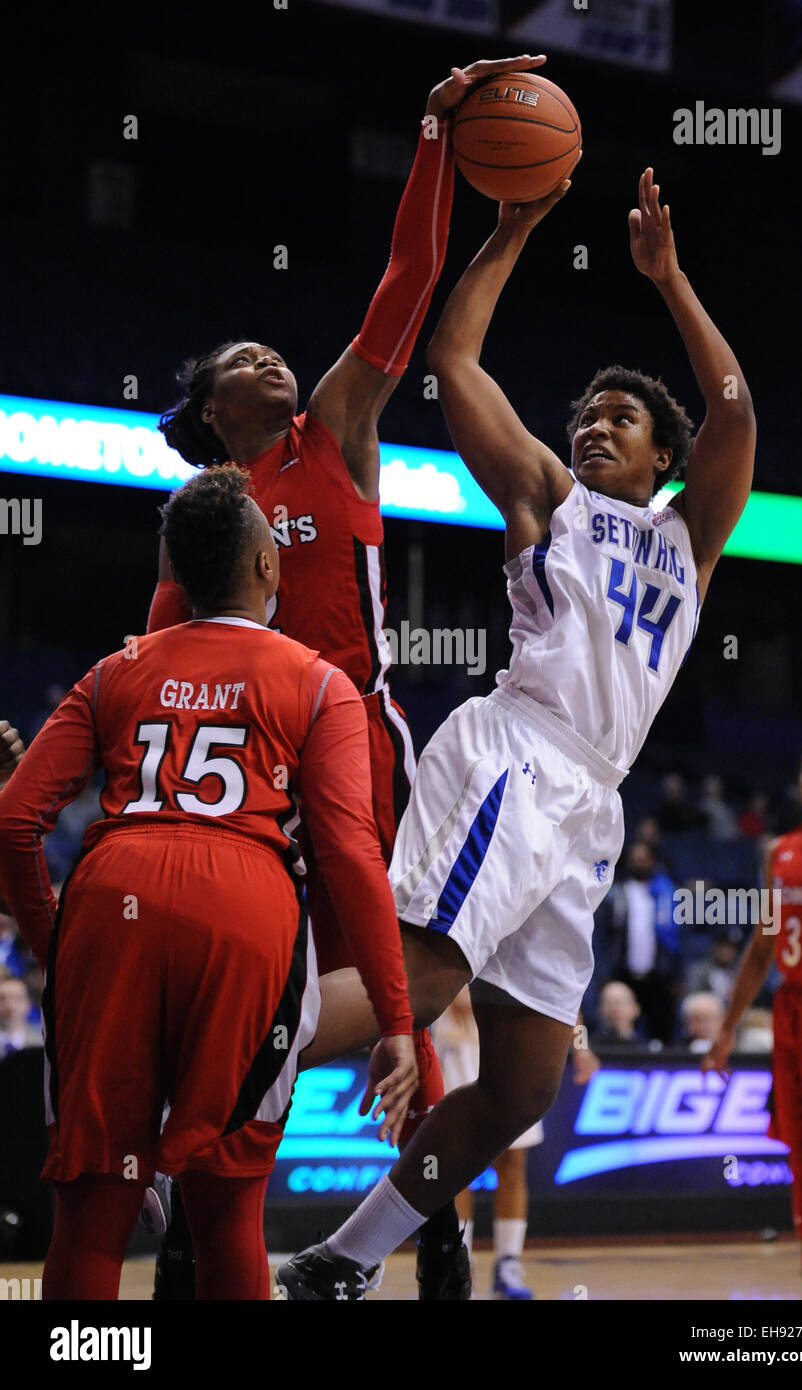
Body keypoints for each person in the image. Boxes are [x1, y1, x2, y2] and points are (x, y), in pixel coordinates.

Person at [276, 163, 756, 1298]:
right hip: (518, 754)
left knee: (528, 1081)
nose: (594, 424)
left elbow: (733, 408)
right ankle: (208, 1050)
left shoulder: (694, 536)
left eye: (620, 418)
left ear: (662, 460)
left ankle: (342, 1259)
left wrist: (670, 279)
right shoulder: (549, 493)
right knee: (425, 981)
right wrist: (514, 229)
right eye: (588, 411)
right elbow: (451, 363)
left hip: (591, 801)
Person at [145, 53, 546, 1302]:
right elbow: (150, 648)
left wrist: (436, 134)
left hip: (365, 737)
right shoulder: (211, 508)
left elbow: (409, 280)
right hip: (260, 757)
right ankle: (191, 1225)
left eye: (272, 348)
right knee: (264, 990)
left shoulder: (338, 425)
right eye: (243, 360)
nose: (271, 357)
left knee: (413, 987)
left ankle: (421, 1250)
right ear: (210, 412)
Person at [0, 466, 418, 1300]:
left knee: (92, 1212)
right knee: (227, 1210)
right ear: (268, 568)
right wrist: (397, 1018)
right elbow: (348, 854)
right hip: (242, 912)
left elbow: (12, 821)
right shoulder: (316, 679)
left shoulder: (116, 667)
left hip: (110, 904)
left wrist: (58, 946)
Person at [703, 737, 802, 1301]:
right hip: (791, 1009)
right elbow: (763, 944)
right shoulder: (781, 851)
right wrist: (726, 1029)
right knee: (801, 1152)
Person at [432, 985, 544, 1299]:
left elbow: (562, 988)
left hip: (517, 1050)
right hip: (459, 1050)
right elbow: (459, 996)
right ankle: (458, 1262)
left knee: (512, 1163)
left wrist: (582, 1046)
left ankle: (508, 1263)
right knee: (458, 1169)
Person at [594, 839, 680, 1042]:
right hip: (622, 973)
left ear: (653, 861)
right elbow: (602, 936)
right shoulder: (614, 892)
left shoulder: (667, 892)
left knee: (661, 1029)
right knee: (619, 1029)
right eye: (635, 859)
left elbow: (677, 938)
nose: (638, 862)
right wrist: (604, 973)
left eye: (643, 858)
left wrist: (677, 973)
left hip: (658, 975)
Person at [0, 976, 42, 1055]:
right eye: (2, 998)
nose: (10, 1006)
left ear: (28, 1004)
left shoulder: (40, 1044)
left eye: (18, 999)